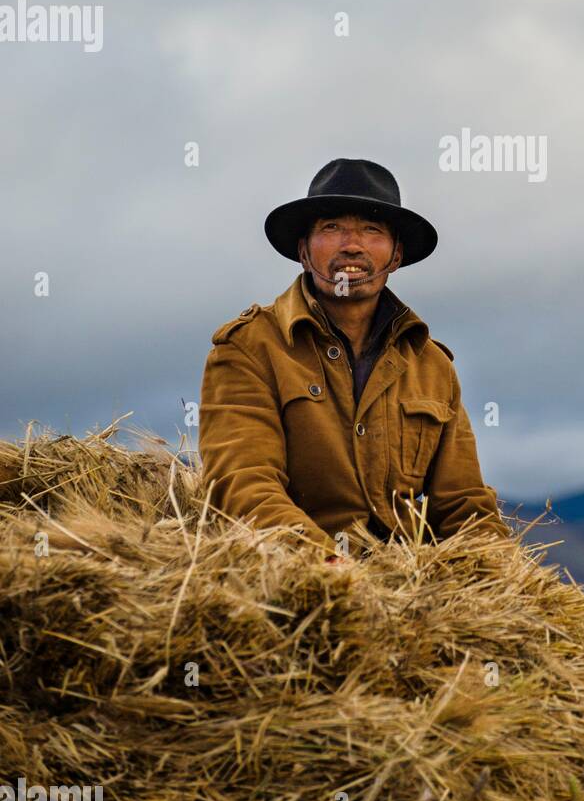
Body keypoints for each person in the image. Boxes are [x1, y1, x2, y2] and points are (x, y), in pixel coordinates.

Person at [198, 158, 511, 559]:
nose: (352, 244)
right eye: (331, 228)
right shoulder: (249, 347)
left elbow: (464, 505)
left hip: (413, 585)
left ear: (395, 256)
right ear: (304, 252)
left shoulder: (432, 366)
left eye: (372, 230)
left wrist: (508, 582)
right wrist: (326, 564)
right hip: (296, 576)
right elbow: (243, 484)